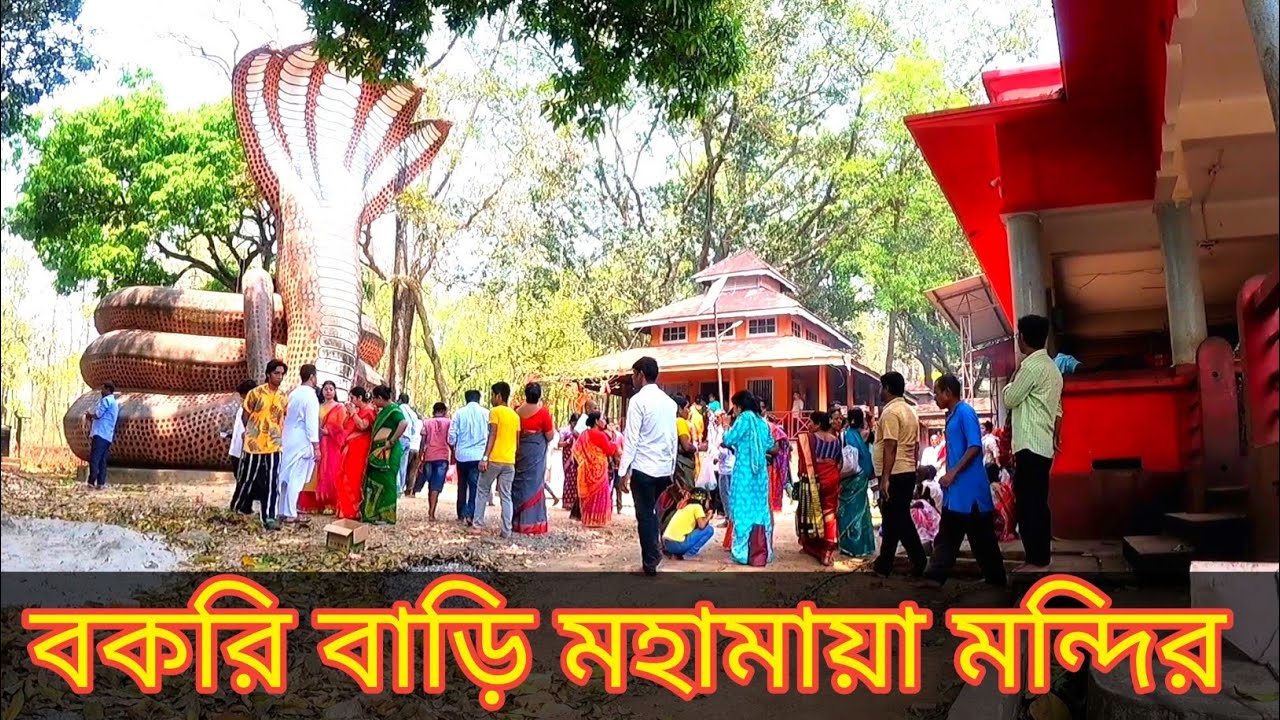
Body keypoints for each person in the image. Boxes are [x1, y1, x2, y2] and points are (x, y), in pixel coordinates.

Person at [924, 374, 1007, 586]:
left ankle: (994, 579)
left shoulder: (965, 413)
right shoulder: (953, 415)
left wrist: (953, 473)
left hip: (970, 491)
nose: (934, 397)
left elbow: (974, 447)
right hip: (958, 492)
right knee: (958, 536)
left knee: (977, 538)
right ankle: (993, 578)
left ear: (948, 393)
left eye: (936, 392)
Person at [1003, 314, 1064, 568]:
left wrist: (1012, 378)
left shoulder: (1030, 367)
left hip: (1028, 444)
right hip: (1044, 445)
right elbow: (1059, 410)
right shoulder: (1053, 369)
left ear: (1023, 337)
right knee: (1039, 502)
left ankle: (1034, 559)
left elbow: (1010, 399)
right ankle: (1042, 557)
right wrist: (1056, 434)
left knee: (1028, 503)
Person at [618, 357, 678, 576]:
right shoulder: (669, 403)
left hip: (644, 468)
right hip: (663, 468)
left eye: (634, 374)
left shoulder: (638, 401)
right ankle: (655, 550)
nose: (633, 379)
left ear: (641, 374)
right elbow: (673, 438)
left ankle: (650, 560)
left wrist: (623, 472)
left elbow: (631, 439)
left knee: (644, 514)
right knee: (653, 513)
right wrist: (671, 468)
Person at [871, 371, 928, 578]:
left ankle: (919, 559)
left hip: (894, 473)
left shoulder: (890, 413)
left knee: (899, 518)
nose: (880, 391)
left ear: (886, 388)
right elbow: (914, 445)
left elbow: (890, 446)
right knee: (892, 518)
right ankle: (884, 564)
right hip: (907, 470)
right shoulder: (910, 411)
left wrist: (885, 478)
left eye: (881, 387)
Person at [721, 390, 776, 567]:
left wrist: (726, 426)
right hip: (760, 474)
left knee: (742, 511)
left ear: (739, 406)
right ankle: (762, 550)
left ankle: (743, 552)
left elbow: (729, 439)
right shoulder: (762, 422)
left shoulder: (744, 418)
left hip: (744, 472)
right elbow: (770, 444)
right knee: (760, 511)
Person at [235, 360, 289, 529]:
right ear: (268, 374)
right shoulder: (255, 393)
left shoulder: (283, 397)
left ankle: (269, 517)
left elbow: (282, 418)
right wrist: (251, 433)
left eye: (281, 374)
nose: (279, 377)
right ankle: (236, 508)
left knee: (273, 481)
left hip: (274, 445)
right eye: (276, 373)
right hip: (254, 445)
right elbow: (245, 415)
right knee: (248, 478)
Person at [794, 410, 841, 566]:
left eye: (811, 422)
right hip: (833, 477)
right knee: (829, 514)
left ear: (819, 424)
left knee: (811, 510)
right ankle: (827, 551)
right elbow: (838, 462)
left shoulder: (810, 439)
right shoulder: (836, 440)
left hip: (815, 478)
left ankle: (812, 546)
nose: (808, 425)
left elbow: (804, 463)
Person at [475, 382, 519, 538]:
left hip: (494, 458)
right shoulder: (515, 415)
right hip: (509, 461)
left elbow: (492, 434)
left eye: (493, 395)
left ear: (499, 396)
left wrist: (485, 457)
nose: (492, 398)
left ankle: (477, 525)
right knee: (506, 495)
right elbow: (517, 439)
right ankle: (507, 530)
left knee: (482, 490)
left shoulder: (495, 412)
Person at [277, 364, 320, 523]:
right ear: (312, 377)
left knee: (285, 475)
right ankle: (290, 513)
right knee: (297, 477)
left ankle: (280, 510)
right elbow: (311, 424)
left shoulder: (293, 394)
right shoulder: (310, 396)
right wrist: (316, 446)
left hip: (288, 438)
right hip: (302, 441)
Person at [361, 385, 408, 524]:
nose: (373, 401)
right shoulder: (384, 410)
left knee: (387, 483)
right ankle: (374, 513)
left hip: (388, 453)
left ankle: (387, 516)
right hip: (378, 453)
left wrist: (392, 440)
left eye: (374, 398)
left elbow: (403, 423)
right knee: (375, 481)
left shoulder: (394, 411)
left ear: (380, 398)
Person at [512, 382, 555, 534]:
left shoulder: (517, 412)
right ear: (539, 396)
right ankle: (533, 522)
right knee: (535, 484)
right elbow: (550, 436)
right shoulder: (543, 413)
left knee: (519, 483)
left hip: (520, 453)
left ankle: (517, 521)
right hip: (536, 455)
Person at [298, 380, 345, 514]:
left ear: (335, 392)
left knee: (330, 472)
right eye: (326, 389)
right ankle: (314, 504)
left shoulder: (339, 408)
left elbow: (343, 428)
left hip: (331, 445)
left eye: (331, 389)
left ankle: (330, 503)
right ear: (322, 391)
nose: (328, 391)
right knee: (314, 472)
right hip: (317, 443)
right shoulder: (317, 406)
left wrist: (328, 431)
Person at [838, 407, 877, 558]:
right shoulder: (863, 436)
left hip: (849, 476)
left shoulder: (846, 435)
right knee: (862, 510)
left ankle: (850, 545)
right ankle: (863, 545)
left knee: (847, 510)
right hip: (862, 476)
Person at [449, 390, 488, 525]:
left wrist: (454, 445)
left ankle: (460, 513)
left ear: (466, 399)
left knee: (462, 484)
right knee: (474, 485)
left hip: (462, 455)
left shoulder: (459, 413)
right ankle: (470, 513)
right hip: (478, 455)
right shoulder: (486, 413)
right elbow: (490, 433)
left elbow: (452, 435)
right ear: (479, 399)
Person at [573, 412, 619, 527]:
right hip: (599, 470)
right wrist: (614, 440)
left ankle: (587, 519)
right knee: (600, 494)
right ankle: (598, 520)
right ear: (596, 421)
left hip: (586, 470)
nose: (605, 420)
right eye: (603, 418)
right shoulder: (601, 435)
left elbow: (576, 450)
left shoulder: (584, 434)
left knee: (589, 495)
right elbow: (610, 450)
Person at [336, 387, 375, 520]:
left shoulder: (369, 411)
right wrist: (349, 414)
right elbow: (345, 425)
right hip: (349, 447)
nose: (350, 401)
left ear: (359, 398)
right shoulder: (357, 411)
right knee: (343, 476)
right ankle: (343, 509)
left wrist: (353, 413)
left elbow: (363, 426)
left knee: (353, 478)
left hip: (360, 448)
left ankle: (352, 511)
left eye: (352, 398)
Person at [414, 402, 452, 519]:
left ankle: (431, 510)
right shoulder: (449, 423)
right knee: (437, 484)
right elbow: (451, 440)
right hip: (442, 457)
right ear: (444, 411)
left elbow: (423, 441)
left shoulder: (427, 422)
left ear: (433, 411)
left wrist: (420, 457)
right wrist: (454, 454)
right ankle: (432, 511)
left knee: (431, 484)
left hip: (429, 456)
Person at [227, 379, 258, 510]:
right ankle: (239, 506)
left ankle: (241, 506)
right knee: (242, 480)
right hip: (238, 450)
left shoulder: (254, 408)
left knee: (245, 480)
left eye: (243, 396)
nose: (241, 399)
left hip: (244, 450)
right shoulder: (244, 407)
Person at [83, 382, 120, 490]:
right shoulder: (114, 403)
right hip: (107, 435)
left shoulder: (106, 400)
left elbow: (98, 415)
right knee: (102, 460)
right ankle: (101, 482)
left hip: (100, 433)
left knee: (95, 458)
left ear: (108, 389)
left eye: (103, 389)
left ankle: (91, 481)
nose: (101, 391)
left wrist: (90, 415)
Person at [662, 489, 715, 559]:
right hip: (677, 545)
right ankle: (690, 554)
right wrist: (708, 516)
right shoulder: (697, 507)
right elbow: (701, 525)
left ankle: (676, 553)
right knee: (709, 530)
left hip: (667, 544)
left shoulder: (685, 507)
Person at [396, 393, 421, 495]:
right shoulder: (413, 413)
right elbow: (415, 429)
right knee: (403, 465)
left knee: (396, 463)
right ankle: (401, 487)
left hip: (400, 437)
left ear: (400, 400)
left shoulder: (399, 409)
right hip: (408, 440)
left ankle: (397, 487)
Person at [559, 414, 581, 519]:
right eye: (574, 422)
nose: (575, 424)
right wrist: (568, 442)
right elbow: (559, 444)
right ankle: (567, 502)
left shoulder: (581, 430)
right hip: (567, 457)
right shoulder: (565, 431)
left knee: (577, 479)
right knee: (568, 478)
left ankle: (575, 503)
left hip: (577, 456)